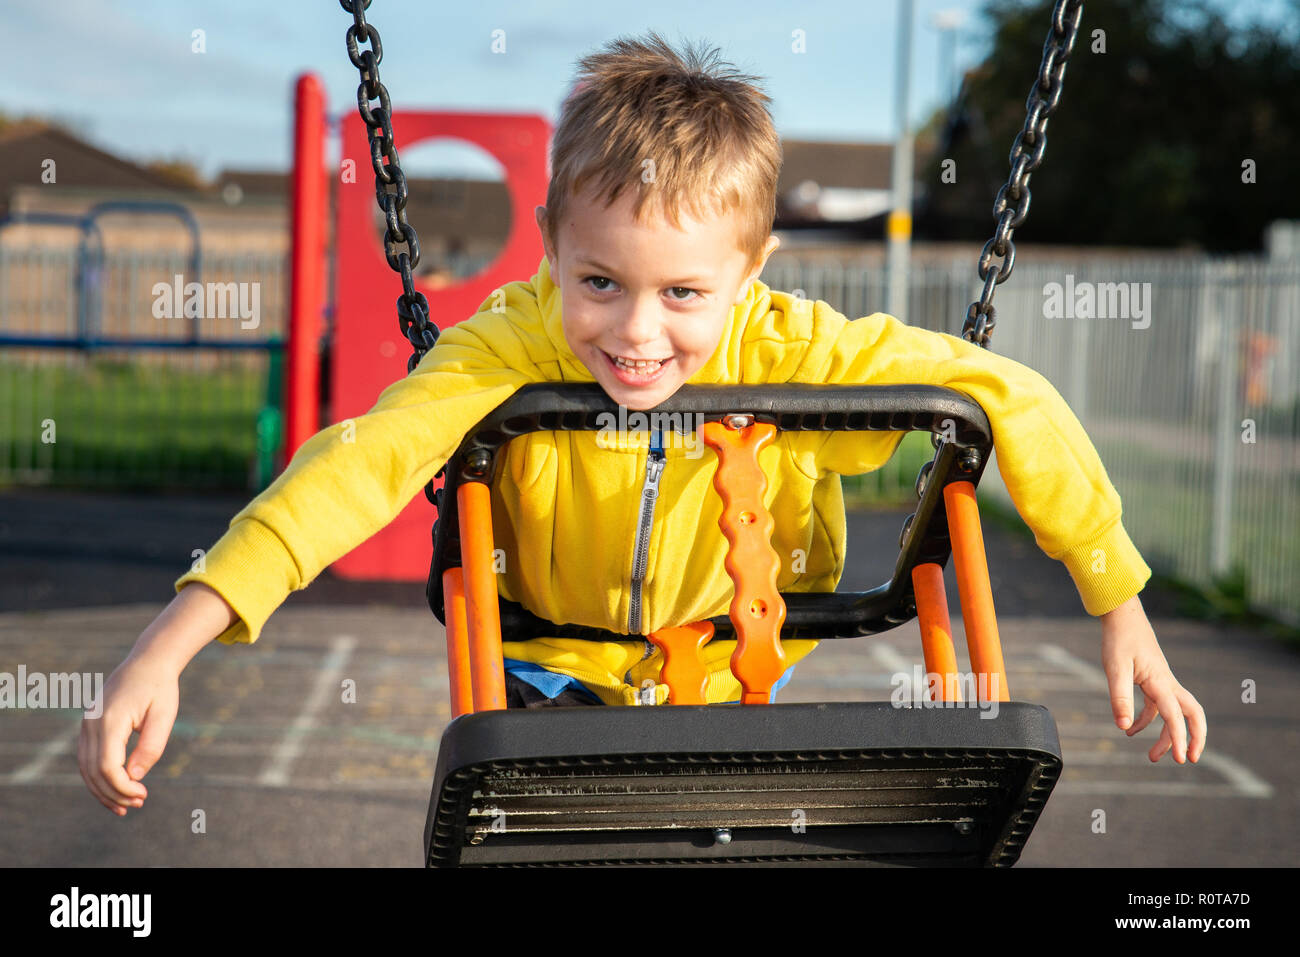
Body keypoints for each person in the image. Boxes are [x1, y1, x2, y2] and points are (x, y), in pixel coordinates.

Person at [80, 31, 1206, 818]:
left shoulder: (791, 346)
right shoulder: (508, 343)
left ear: (747, 271)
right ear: (550, 243)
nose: (635, 334)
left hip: (732, 675)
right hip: (548, 673)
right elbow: (357, 467)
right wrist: (169, 641)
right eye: (599, 283)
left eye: (683, 295)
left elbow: (1009, 395)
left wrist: (1121, 605)